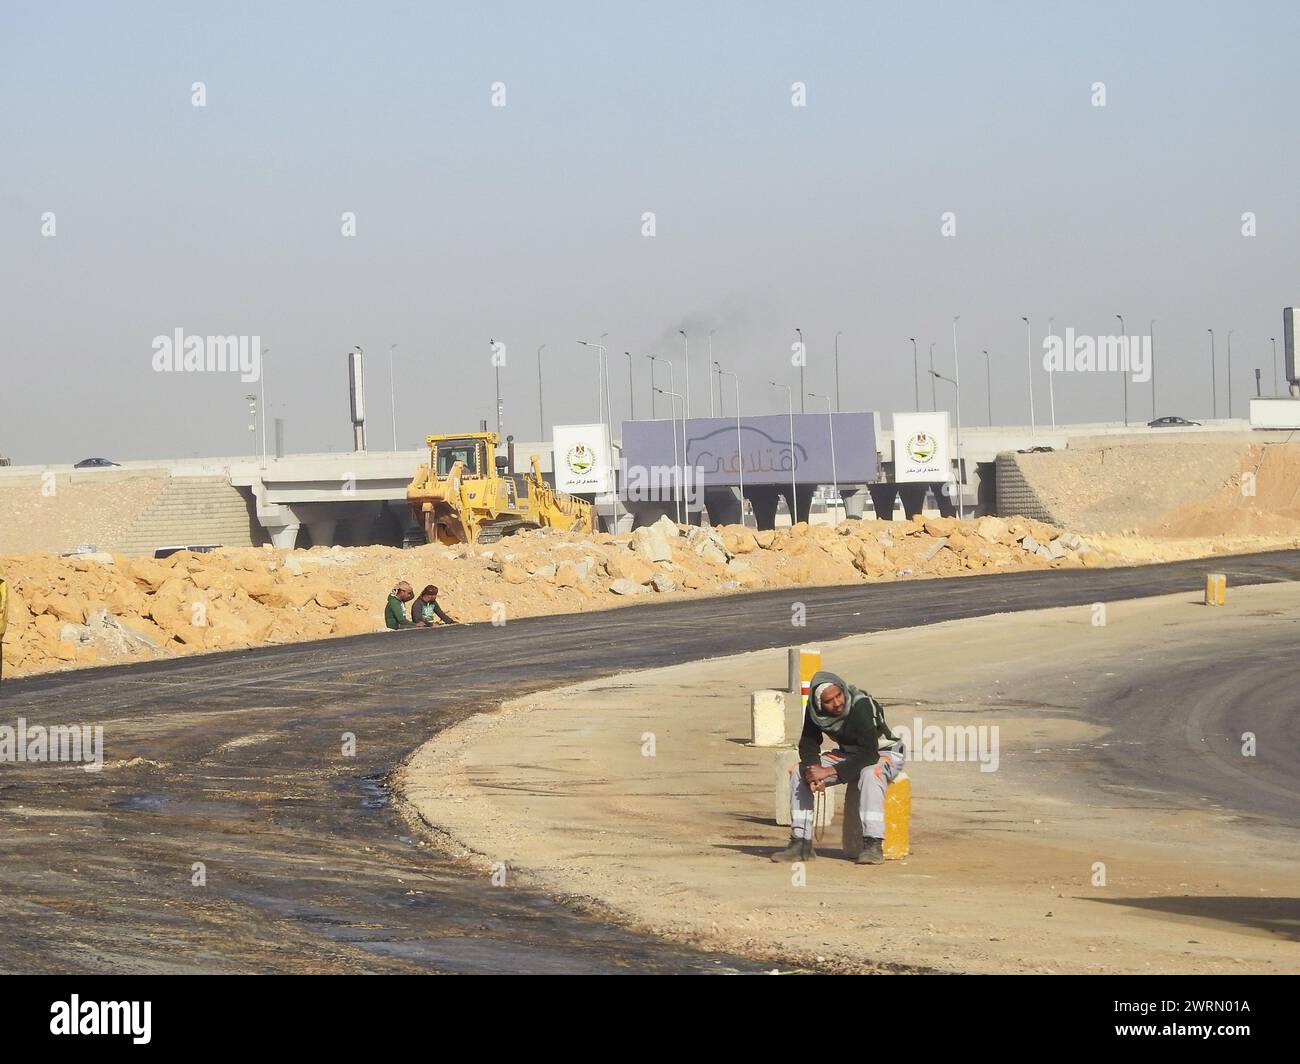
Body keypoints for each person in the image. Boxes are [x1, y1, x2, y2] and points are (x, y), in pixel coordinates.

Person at [771, 669, 906, 865]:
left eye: (839, 695)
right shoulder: (814, 712)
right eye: (829, 701)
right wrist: (813, 770)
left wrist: (829, 771)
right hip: (849, 753)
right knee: (799, 773)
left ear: (843, 690)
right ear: (819, 704)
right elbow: (808, 744)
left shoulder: (861, 706)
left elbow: (869, 753)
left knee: (870, 774)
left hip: (884, 753)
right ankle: (800, 844)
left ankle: (873, 845)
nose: (837, 703)